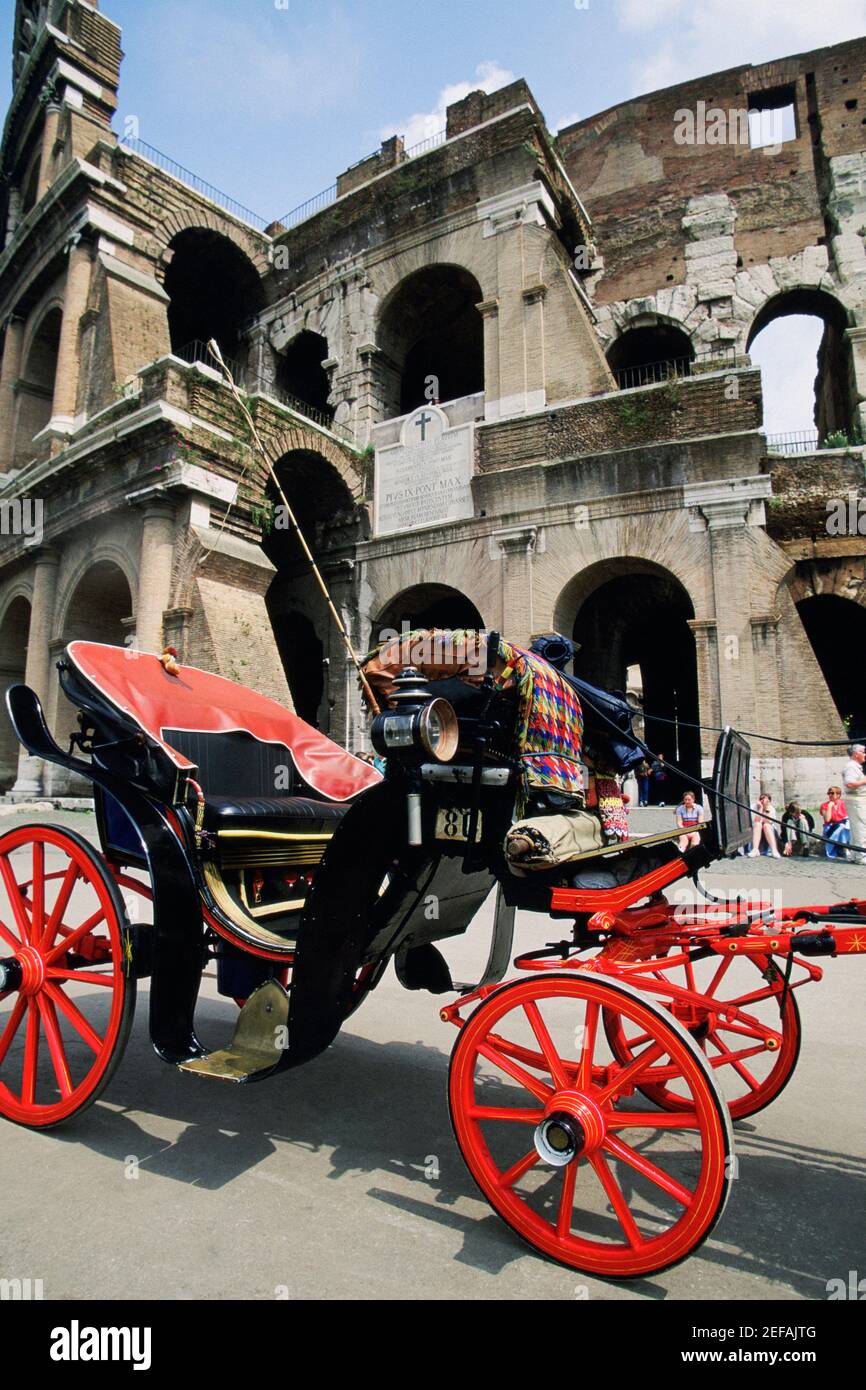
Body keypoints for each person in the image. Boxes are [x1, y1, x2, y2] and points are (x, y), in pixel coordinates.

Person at [842, 744, 866, 863]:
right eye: (863, 752)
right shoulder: (851, 767)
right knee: (861, 828)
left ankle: (854, 854)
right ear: (856, 754)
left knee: (857, 828)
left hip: (859, 800)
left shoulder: (855, 767)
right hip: (857, 801)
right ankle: (861, 856)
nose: (865, 754)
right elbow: (850, 784)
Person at [820, 785, 850, 860]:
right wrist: (830, 807)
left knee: (844, 827)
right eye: (829, 793)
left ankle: (845, 849)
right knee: (842, 827)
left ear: (838, 795)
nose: (830, 795)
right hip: (830, 828)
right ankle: (845, 849)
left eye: (832, 793)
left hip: (843, 827)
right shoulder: (824, 806)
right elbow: (827, 819)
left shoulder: (843, 804)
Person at [749, 792, 781, 857]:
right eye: (761, 799)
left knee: (766, 825)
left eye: (765, 800)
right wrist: (760, 809)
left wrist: (766, 809)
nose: (763, 801)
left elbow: (768, 821)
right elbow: (756, 821)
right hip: (756, 829)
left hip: (769, 829)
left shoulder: (771, 809)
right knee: (758, 824)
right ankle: (755, 849)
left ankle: (774, 850)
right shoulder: (753, 807)